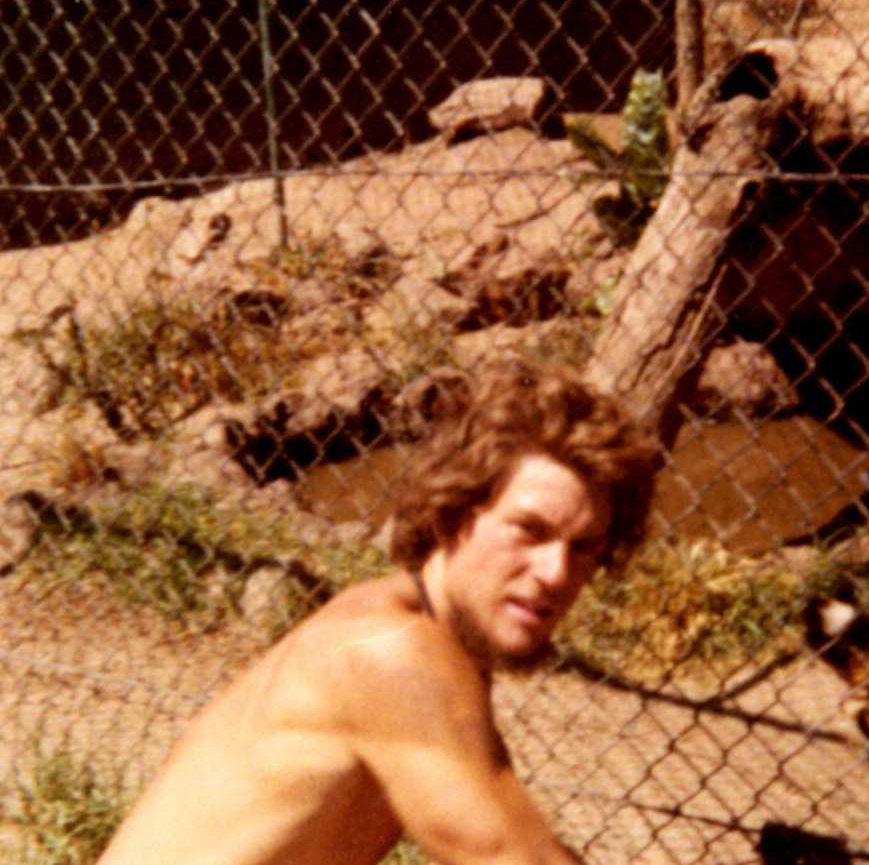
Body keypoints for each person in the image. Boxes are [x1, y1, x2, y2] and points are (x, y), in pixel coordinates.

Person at [101, 362, 663, 865]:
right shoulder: (392, 653)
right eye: (530, 530)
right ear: (454, 511)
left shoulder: (427, 641)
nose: (556, 573)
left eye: (584, 546)